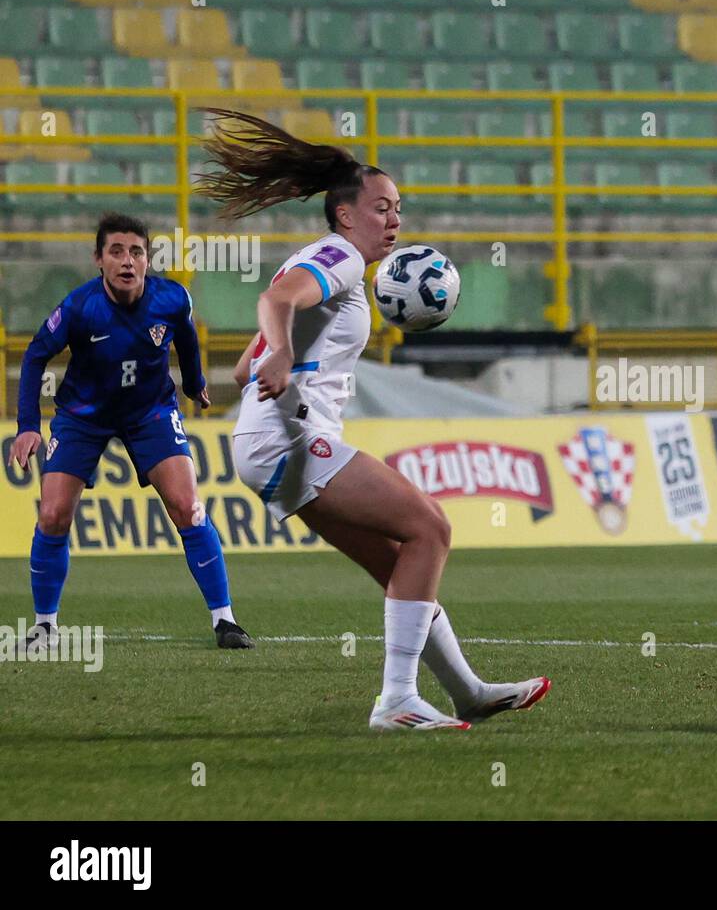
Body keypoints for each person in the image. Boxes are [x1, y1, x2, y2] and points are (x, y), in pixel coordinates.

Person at [194, 108, 550, 731]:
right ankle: (396, 700)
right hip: (291, 440)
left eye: (399, 209)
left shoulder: (326, 262)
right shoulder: (339, 259)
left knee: (398, 566)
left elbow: (249, 358)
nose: (395, 219)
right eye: (383, 207)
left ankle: (466, 692)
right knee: (430, 530)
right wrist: (277, 351)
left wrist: (267, 356)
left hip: (271, 439)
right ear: (345, 214)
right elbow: (275, 301)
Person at [8, 212, 253, 650]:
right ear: (98, 260)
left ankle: (226, 621)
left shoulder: (173, 299)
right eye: (116, 251)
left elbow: (187, 339)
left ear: (147, 259)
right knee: (52, 515)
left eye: (136, 252)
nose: (127, 261)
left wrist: (195, 382)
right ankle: (45, 625)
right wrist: (28, 426)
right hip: (82, 416)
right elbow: (34, 357)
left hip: (150, 412)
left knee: (188, 506)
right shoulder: (79, 307)